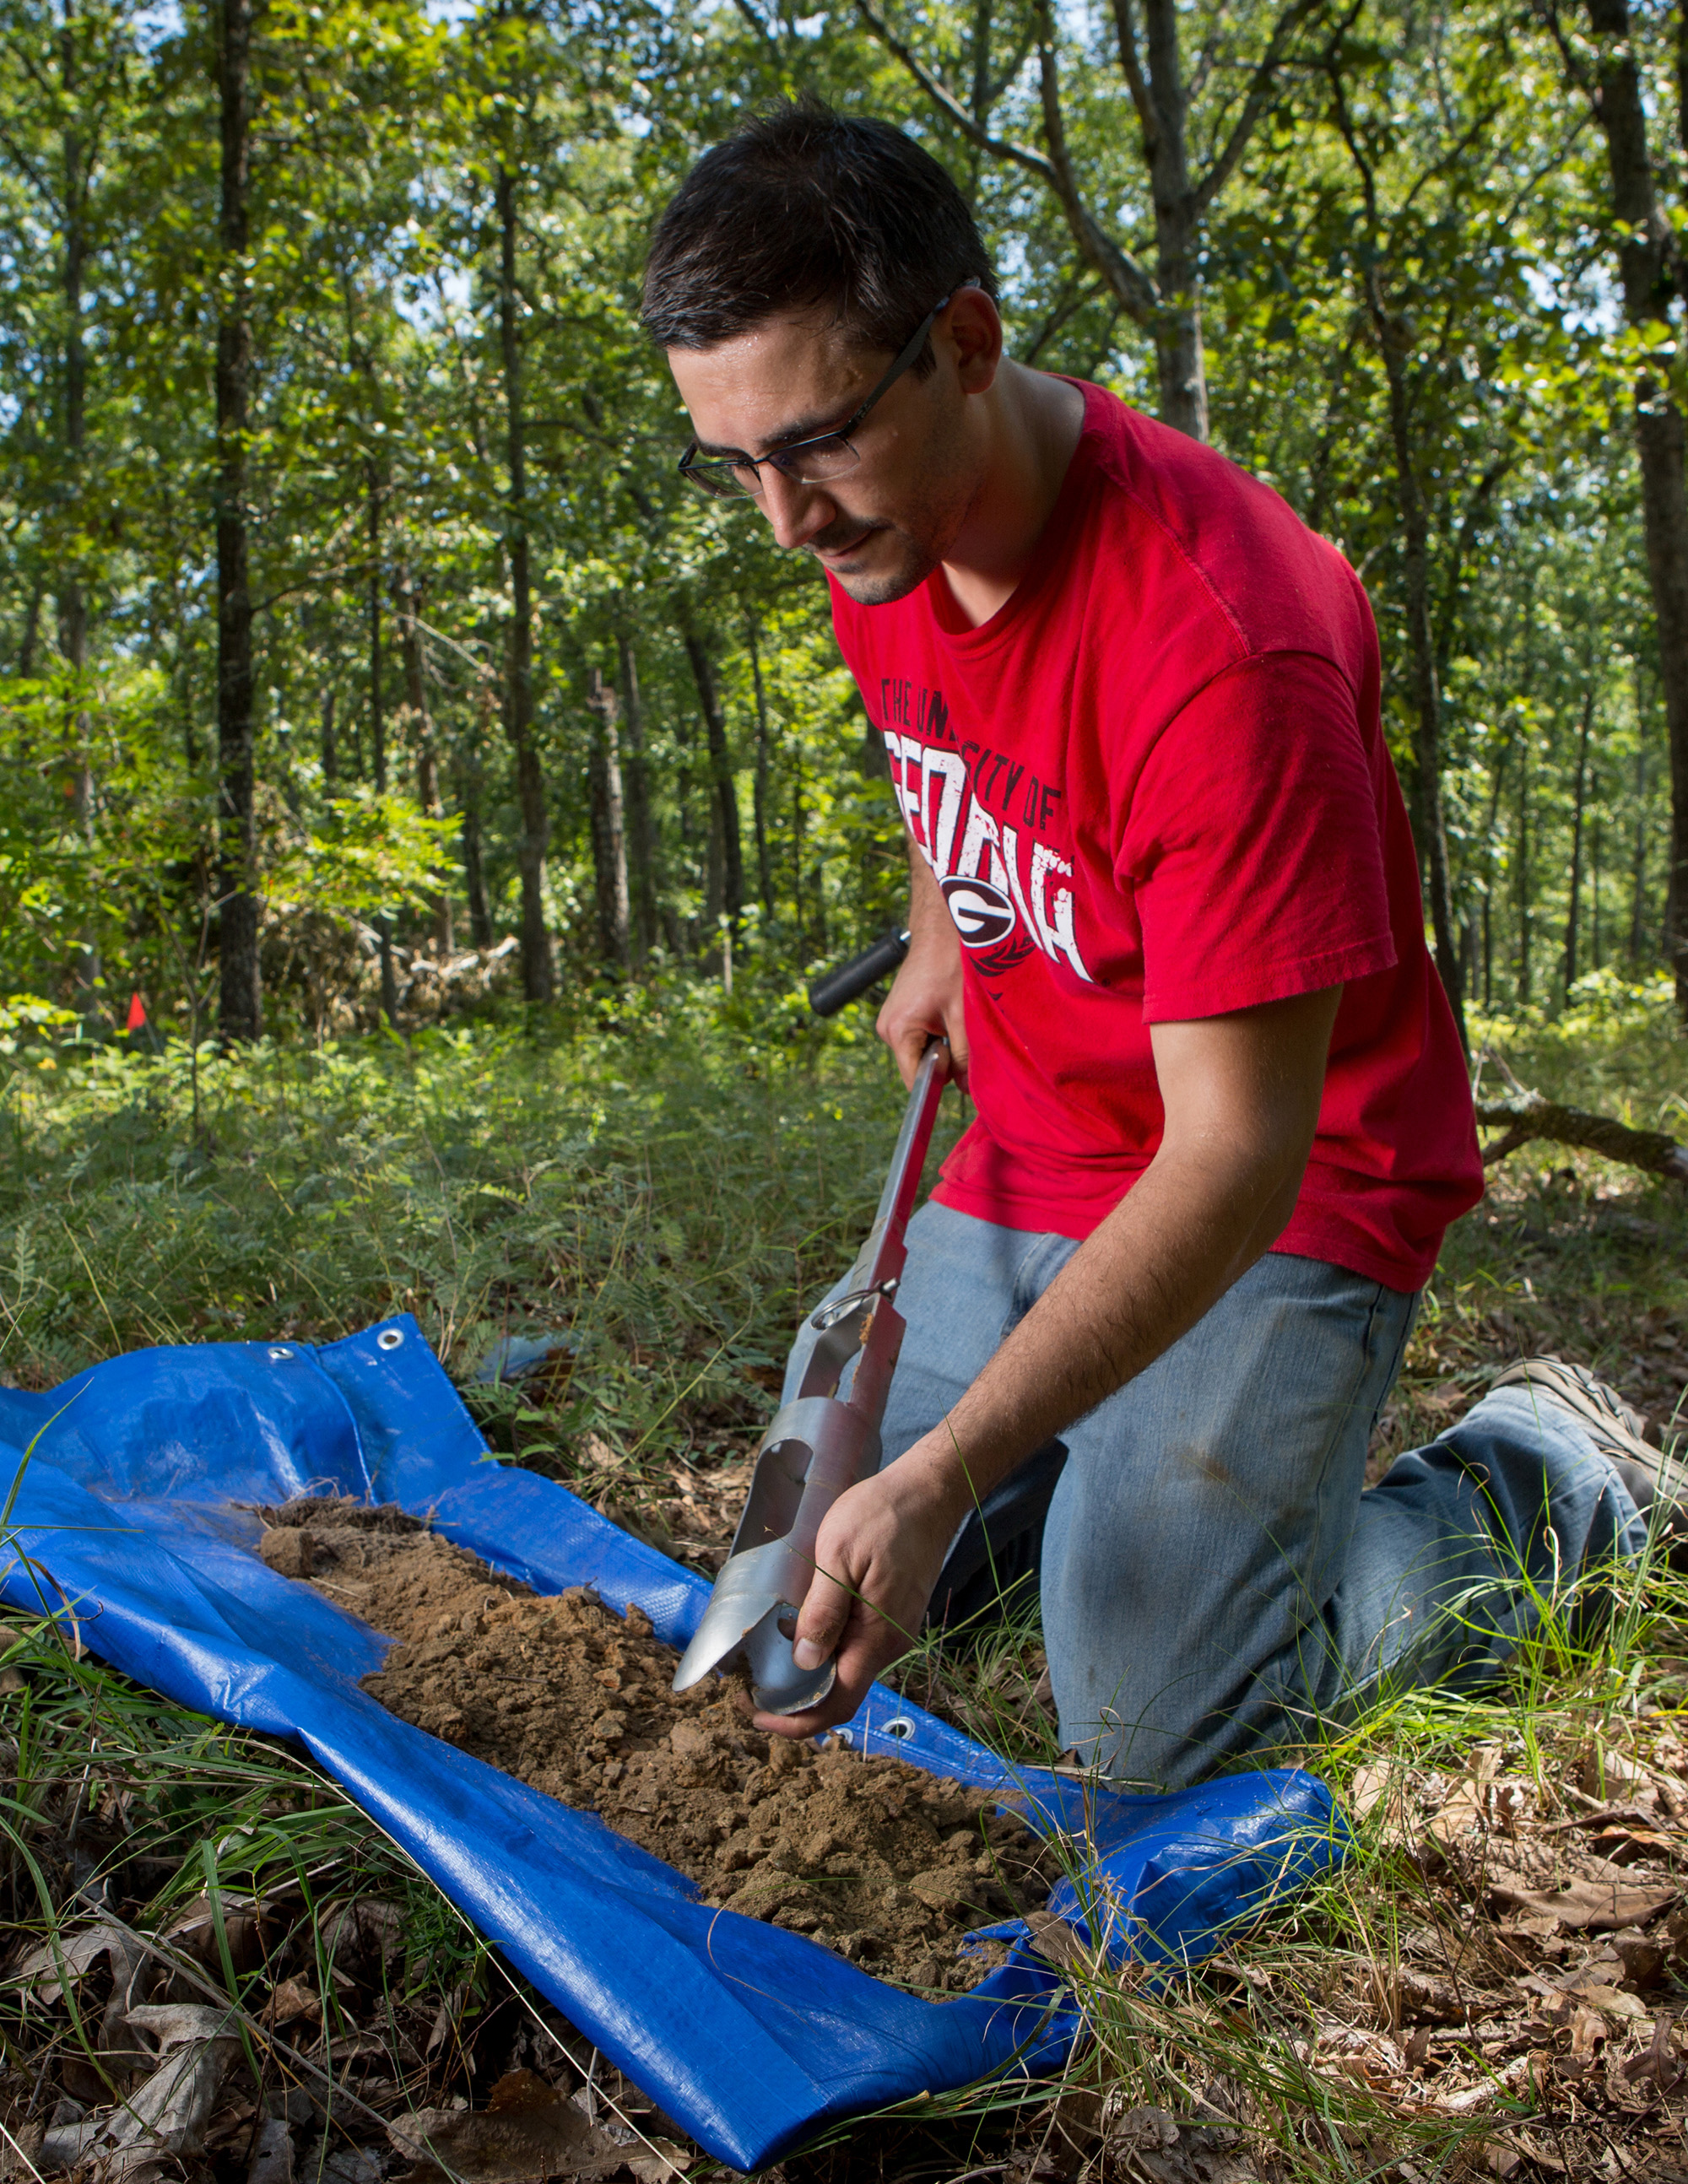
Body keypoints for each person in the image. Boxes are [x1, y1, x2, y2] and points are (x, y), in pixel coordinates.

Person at [640, 101, 1680, 1788]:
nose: (782, 520)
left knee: (1149, 1717)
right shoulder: (879, 524)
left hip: (1277, 1178)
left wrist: (951, 1464)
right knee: (799, 1594)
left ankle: (1538, 1486)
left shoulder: (1219, 646)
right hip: (1039, 1148)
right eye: (732, 460)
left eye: (812, 443)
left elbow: (1235, 1158)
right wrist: (940, 936)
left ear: (964, 342)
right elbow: (948, 745)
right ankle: (1066, 1477)